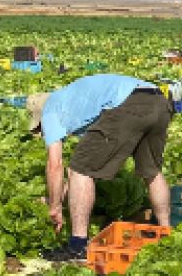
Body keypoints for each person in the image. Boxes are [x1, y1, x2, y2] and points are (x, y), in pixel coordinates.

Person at [27, 74, 174, 261]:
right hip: (158, 100)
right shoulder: (73, 101)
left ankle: (78, 246)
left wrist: (54, 207)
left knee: (79, 171)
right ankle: (165, 232)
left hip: (128, 103)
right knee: (151, 170)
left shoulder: (50, 111)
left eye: (40, 129)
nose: (43, 133)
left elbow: (55, 165)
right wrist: (59, 195)